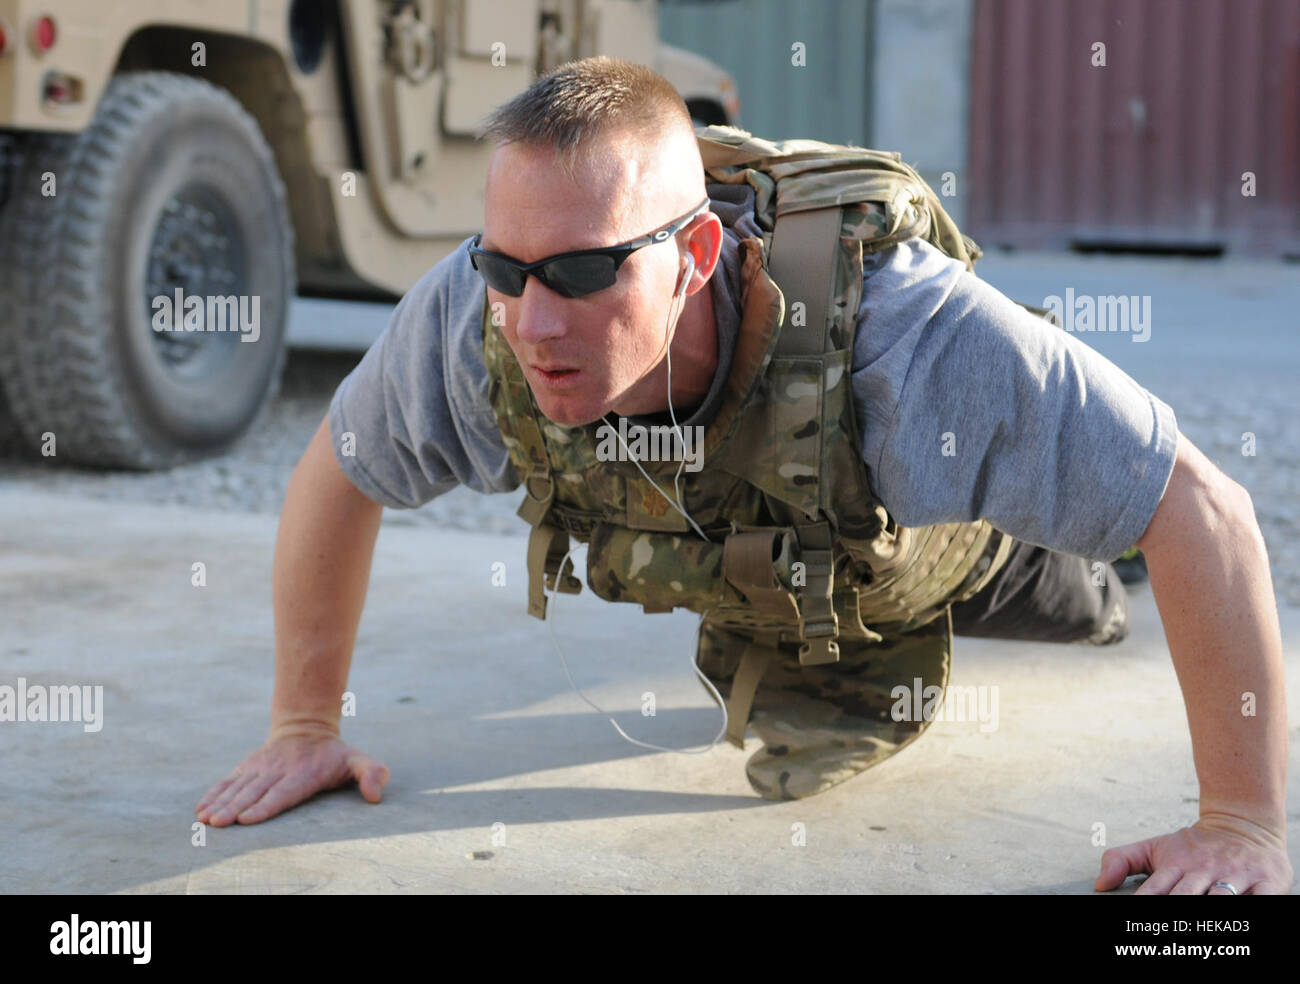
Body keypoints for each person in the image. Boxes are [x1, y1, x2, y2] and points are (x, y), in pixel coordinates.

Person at [196, 57, 1291, 896]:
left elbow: (1201, 507)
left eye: (583, 273)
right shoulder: (470, 321)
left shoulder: (908, 346)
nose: (532, 321)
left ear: (699, 258)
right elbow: (340, 468)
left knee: (1099, 592)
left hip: (942, 551)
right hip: (746, 565)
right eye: (505, 268)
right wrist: (304, 725)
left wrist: (1239, 823)